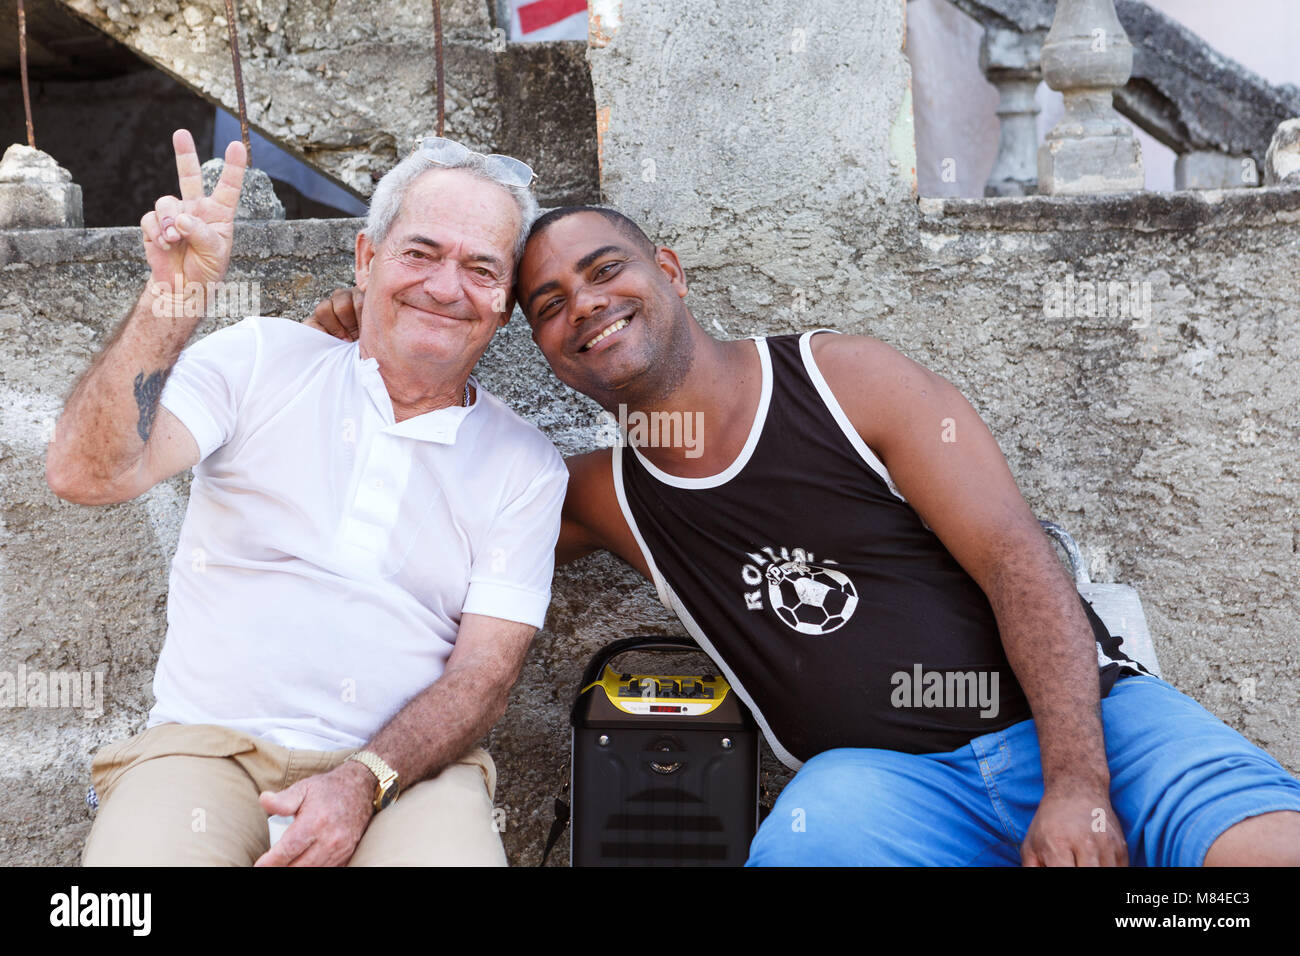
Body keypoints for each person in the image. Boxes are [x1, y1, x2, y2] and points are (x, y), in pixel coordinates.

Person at [309, 205, 1300, 866]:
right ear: (549, 354)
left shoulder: (842, 379)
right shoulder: (606, 493)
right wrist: (385, 353)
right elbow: (430, 499)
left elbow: (1016, 558)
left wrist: (1079, 783)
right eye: (549, 305)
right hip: (884, 785)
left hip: (1085, 721)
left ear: (668, 270)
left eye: (604, 270)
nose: (585, 308)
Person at [45, 130, 568, 867]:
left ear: (506, 301)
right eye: (420, 253)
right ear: (366, 258)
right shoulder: (260, 359)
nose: (446, 287)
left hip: (402, 775)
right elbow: (84, 474)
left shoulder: (526, 465)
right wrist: (174, 299)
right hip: (205, 751)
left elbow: (483, 679)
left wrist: (362, 779)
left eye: (481, 268)